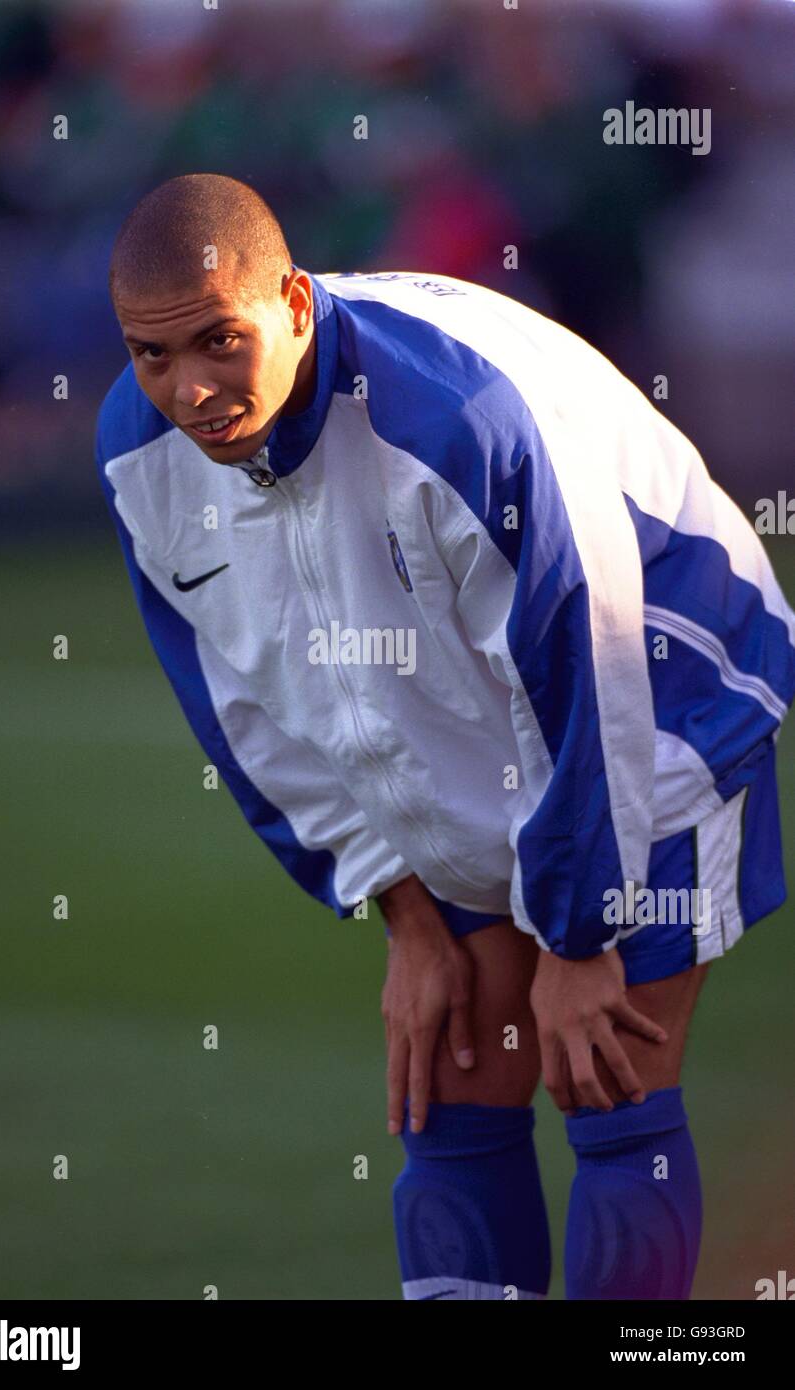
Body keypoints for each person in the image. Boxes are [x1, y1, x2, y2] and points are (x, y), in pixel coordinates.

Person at [96, 173, 795, 1300]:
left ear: (293, 301)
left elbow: (590, 664)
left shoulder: (454, 417)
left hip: (662, 673)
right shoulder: (138, 454)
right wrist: (403, 907)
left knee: (606, 1090)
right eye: (151, 355)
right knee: (454, 1085)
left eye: (219, 341)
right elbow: (239, 702)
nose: (191, 390)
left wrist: (578, 939)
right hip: (475, 693)